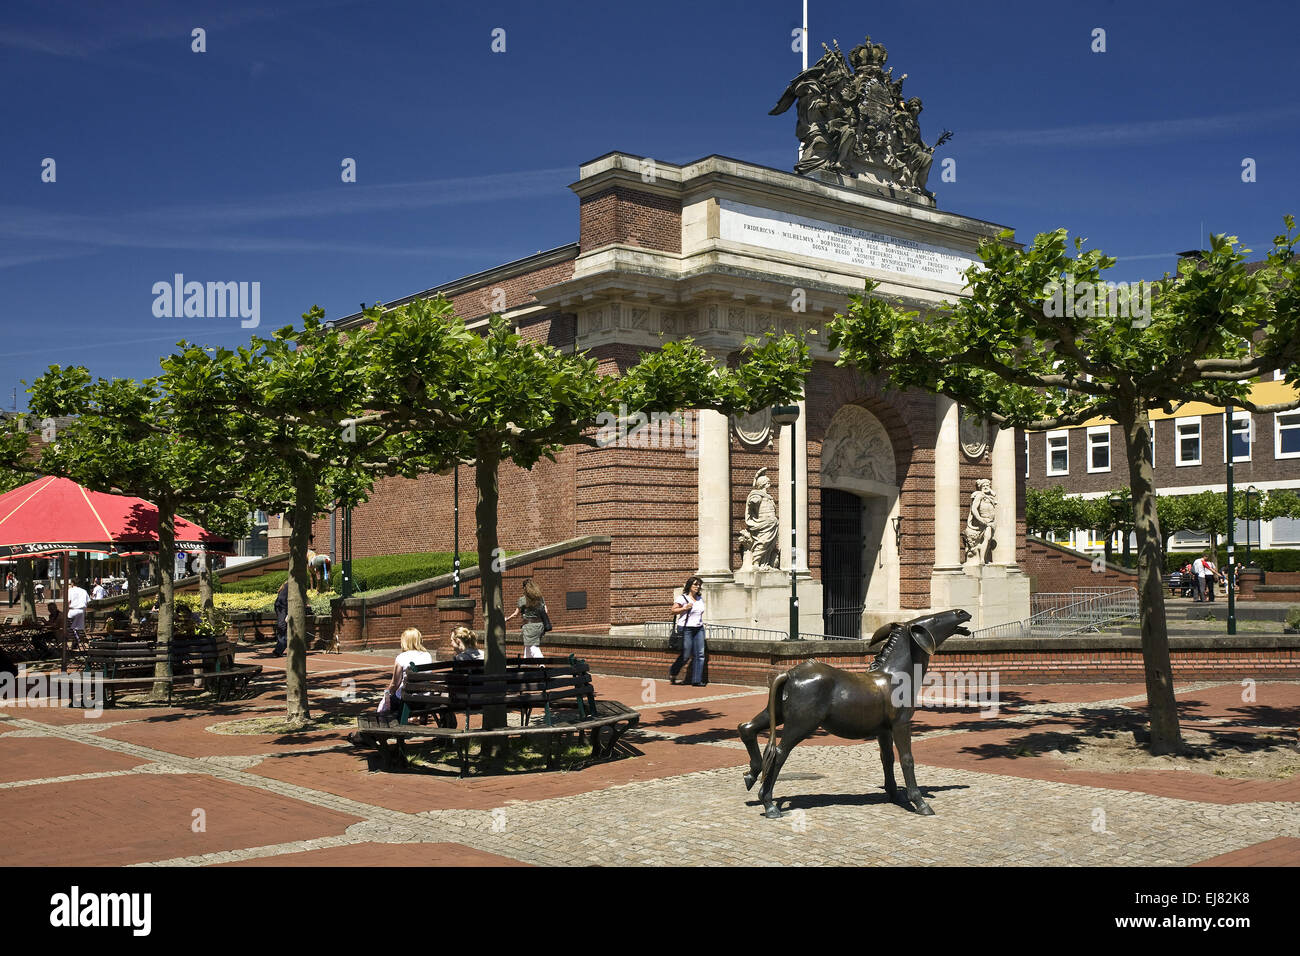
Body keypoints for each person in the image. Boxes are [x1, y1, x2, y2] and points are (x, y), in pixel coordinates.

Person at [382, 627, 434, 715]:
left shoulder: (401, 657)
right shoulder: (427, 655)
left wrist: (386, 694)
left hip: (406, 700)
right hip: (425, 698)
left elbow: (395, 684)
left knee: (389, 700)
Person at [670, 575, 706, 687]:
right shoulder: (683, 598)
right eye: (695, 584)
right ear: (689, 585)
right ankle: (674, 671)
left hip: (699, 628)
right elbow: (673, 610)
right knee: (686, 655)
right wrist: (684, 608)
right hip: (686, 629)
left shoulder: (700, 599)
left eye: (699, 585)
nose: (698, 586)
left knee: (700, 654)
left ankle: (696, 680)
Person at [505, 578, 548, 659]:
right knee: (528, 647)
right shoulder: (540, 598)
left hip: (529, 627)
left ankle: (542, 664)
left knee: (533, 647)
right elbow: (546, 610)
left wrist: (507, 619)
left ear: (525, 588)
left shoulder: (522, 600)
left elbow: (515, 614)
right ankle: (526, 664)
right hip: (540, 625)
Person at [67, 580, 89, 649]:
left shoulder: (70, 590)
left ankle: (75, 641)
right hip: (81, 610)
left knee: (69, 627)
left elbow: (68, 601)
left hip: (73, 610)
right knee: (78, 628)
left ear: (72, 583)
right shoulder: (84, 591)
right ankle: (76, 641)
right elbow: (88, 601)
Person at [271, 579, 289, 657]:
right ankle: (278, 651)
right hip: (282, 608)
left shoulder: (286, 585)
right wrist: (288, 614)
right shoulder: (291, 586)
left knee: (282, 628)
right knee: (283, 628)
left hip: (280, 608)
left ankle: (278, 650)